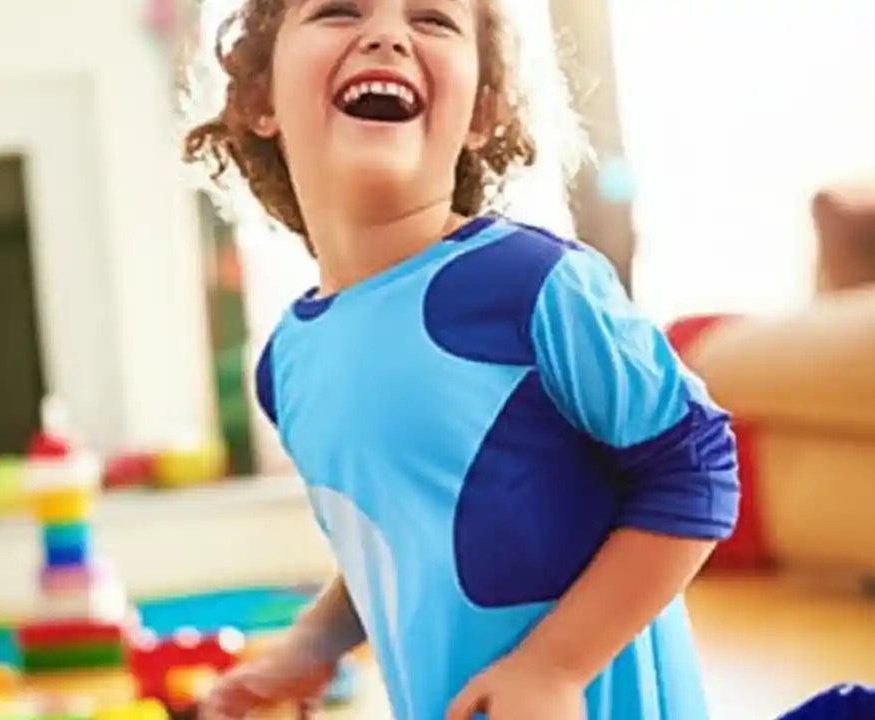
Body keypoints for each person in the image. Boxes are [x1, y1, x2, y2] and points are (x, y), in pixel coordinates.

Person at [183, 0, 740, 717]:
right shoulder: (289, 363)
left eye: (433, 20)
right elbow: (404, 539)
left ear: (481, 113)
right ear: (260, 98)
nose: (385, 33)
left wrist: (555, 666)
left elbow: (697, 464)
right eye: (340, 10)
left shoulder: (535, 284)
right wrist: (310, 646)